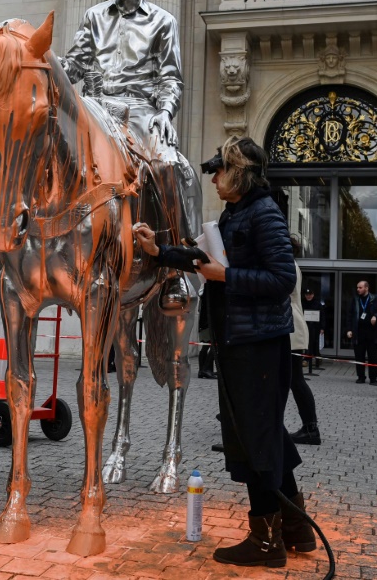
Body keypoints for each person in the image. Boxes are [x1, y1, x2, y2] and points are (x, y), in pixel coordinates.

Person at [135, 136, 316, 568]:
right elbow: (206, 260)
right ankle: (296, 529)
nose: (214, 178)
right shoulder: (236, 213)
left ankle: (266, 542)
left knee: (256, 441)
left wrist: (227, 277)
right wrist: (160, 252)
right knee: (266, 436)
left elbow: (282, 280)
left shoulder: (264, 212)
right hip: (240, 342)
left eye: (220, 171)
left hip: (258, 346)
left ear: (240, 173)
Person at [62, 0, 196, 311]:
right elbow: (75, 64)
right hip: (93, 109)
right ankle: (25, 251)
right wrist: (47, 66)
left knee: (167, 165)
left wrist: (165, 113)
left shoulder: (163, 21)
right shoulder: (94, 16)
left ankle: (175, 269)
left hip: (139, 111)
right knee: (44, 148)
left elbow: (170, 79)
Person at [288, 247, 320, 446]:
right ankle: (310, 427)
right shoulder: (291, 263)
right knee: (292, 380)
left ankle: (310, 428)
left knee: (296, 380)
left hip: (291, 329)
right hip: (291, 328)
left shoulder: (287, 263)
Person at [344, 280, 377, 385]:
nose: (358, 289)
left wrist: (376, 316)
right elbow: (350, 315)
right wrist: (349, 329)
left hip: (372, 333)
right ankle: (361, 377)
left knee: (372, 356)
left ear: (366, 288)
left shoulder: (375, 299)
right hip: (358, 332)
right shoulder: (355, 300)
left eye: (360, 287)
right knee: (359, 356)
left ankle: (373, 378)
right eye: (357, 287)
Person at [302, 287, 324, 369]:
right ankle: (307, 359)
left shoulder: (317, 304)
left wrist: (322, 328)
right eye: (307, 295)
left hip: (315, 327)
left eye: (310, 294)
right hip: (305, 327)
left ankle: (317, 357)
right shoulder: (302, 303)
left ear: (313, 295)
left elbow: (322, 316)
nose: (308, 296)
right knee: (307, 343)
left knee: (315, 342)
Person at [196, 292, 216, 379]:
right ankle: (206, 369)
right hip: (208, 322)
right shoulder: (208, 293)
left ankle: (202, 370)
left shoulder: (204, 293)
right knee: (214, 346)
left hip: (204, 322)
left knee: (206, 345)